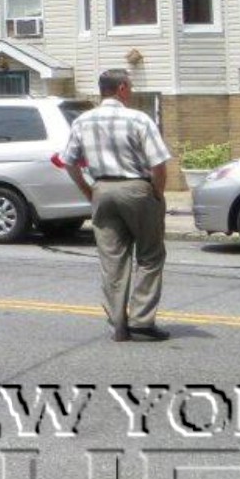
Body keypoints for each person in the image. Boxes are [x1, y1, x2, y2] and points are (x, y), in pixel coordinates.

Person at [60, 70, 173, 342]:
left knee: (112, 259)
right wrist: (156, 192)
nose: (131, 91)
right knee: (150, 255)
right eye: (130, 86)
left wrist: (90, 191)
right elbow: (158, 163)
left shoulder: (82, 121)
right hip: (137, 189)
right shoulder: (138, 119)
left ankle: (118, 324)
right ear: (121, 88)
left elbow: (69, 162)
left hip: (102, 189)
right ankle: (142, 320)